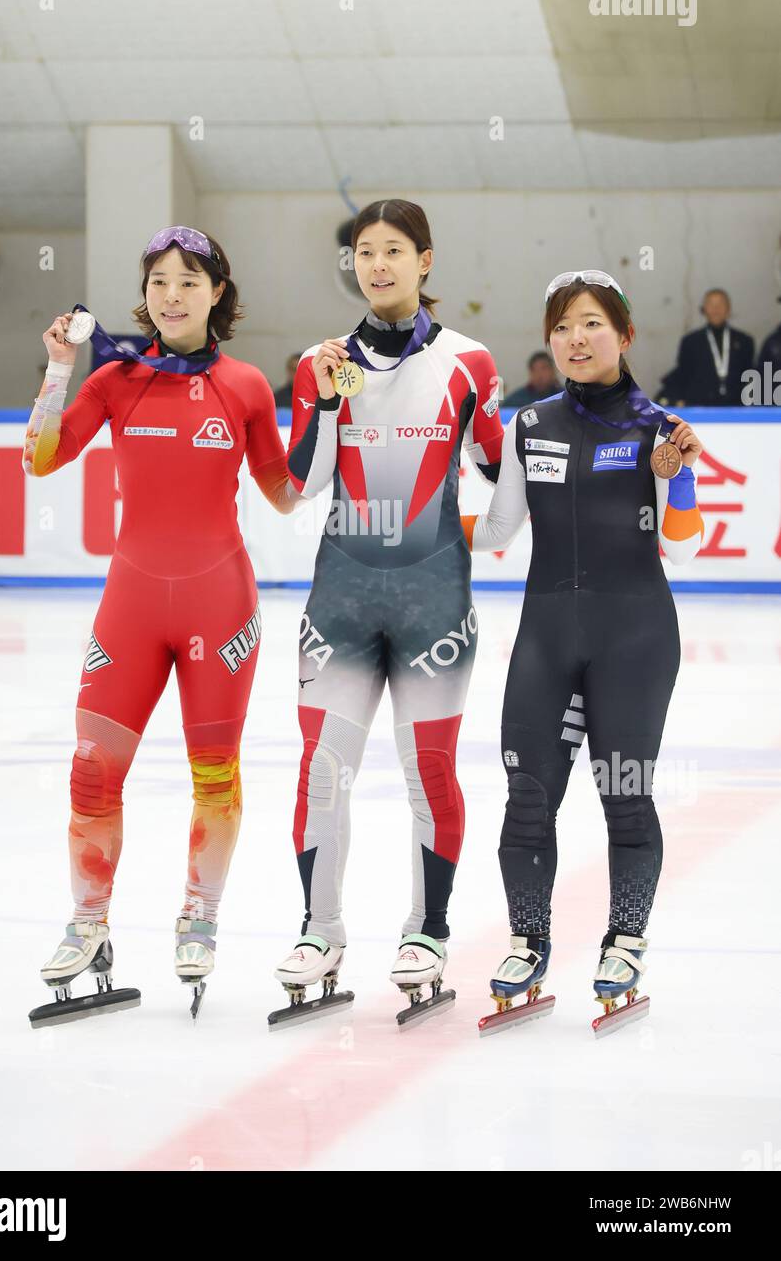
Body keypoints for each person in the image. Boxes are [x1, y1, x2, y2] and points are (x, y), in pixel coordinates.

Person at [23, 226, 299, 1021]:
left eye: (188, 280)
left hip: (221, 602)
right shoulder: (114, 376)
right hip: (133, 602)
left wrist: (330, 419)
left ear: (218, 293)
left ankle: (199, 914)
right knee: (89, 770)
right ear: (143, 294)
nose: (171, 294)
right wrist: (60, 366)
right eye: (157, 281)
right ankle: (89, 922)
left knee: (214, 772)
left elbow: (283, 493)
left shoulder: (245, 385)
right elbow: (39, 459)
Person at [271, 199, 504, 1026]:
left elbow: (495, 471)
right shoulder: (319, 361)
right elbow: (303, 482)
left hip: (434, 598)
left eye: (394, 251)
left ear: (425, 260)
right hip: (341, 595)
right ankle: (320, 929)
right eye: (365, 252)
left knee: (428, 773)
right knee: (321, 769)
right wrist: (332, 400)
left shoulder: (470, 362)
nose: (377, 265)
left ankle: (428, 931)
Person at [463, 270, 704, 1032]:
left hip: (633, 637)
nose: (575, 338)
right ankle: (527, 942)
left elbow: (684, 546)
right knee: (527, 797)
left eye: (593, 323)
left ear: (625, 336)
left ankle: (625, 939)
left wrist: (682, 480)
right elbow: (499, 530)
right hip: (544, 636)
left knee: (625, 798)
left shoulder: (657, 429)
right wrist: (424, 524)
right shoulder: (529, 425)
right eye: (563, 325)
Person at [656, 288, 754, 406]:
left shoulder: (744, 341)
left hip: (736, 411)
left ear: (728, 309)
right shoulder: (690, 341)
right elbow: (682, 375)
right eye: (711, 304)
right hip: (700, 411)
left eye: (720, 304)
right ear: (704, 309)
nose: (716, 309)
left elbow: (751, 377)